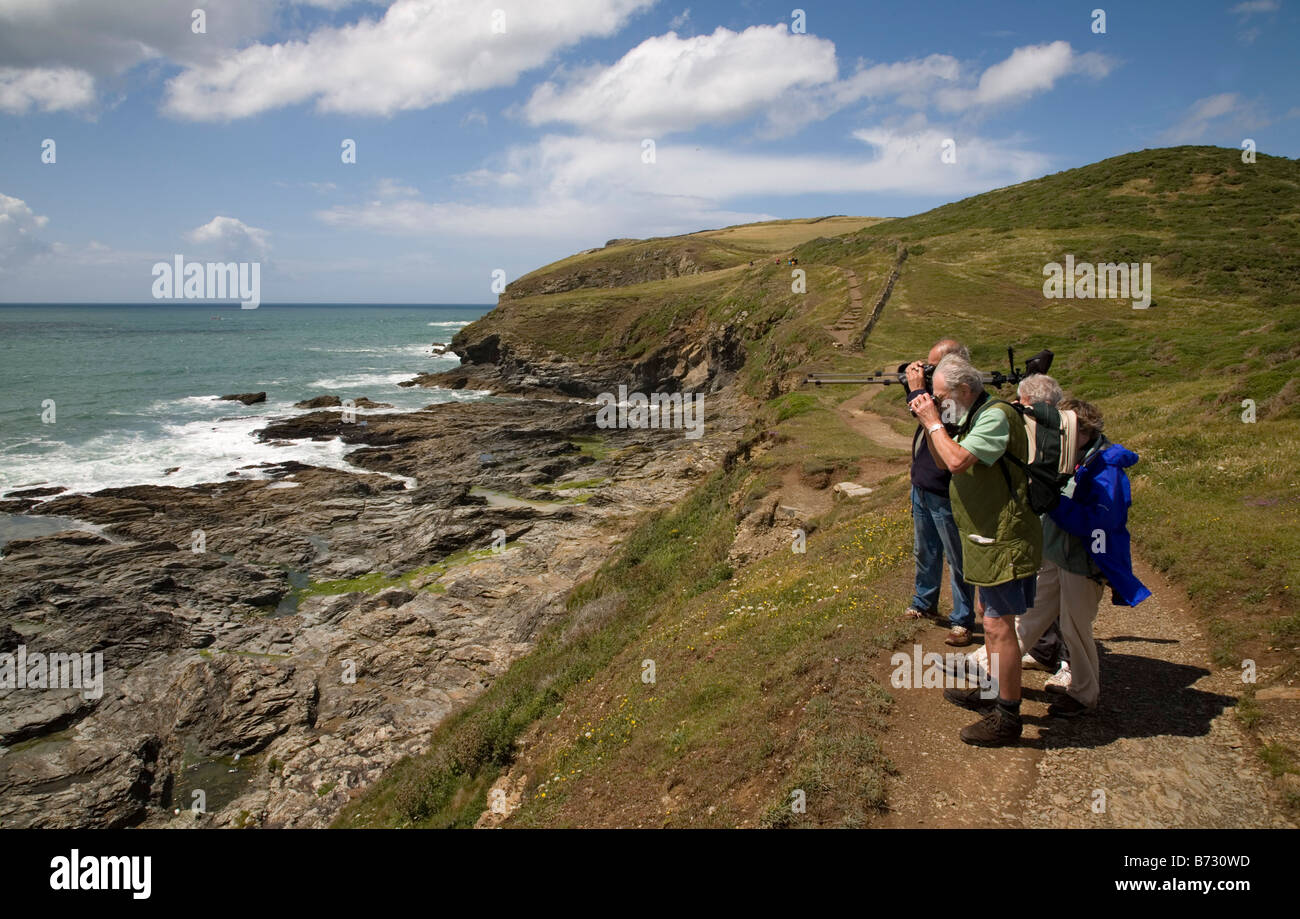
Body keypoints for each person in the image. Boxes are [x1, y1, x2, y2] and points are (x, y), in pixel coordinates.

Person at [909, 354, 1042, 745]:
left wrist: (932, 422)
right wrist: (934, 423)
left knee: (999, 627)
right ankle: (993, 691)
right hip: (982, 535)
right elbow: (943, 455)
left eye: (941, 395)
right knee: (988, 618)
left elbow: (957, 461)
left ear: (965, 390)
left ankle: (1008, 716)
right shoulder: (971, 413)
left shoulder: (995, 416)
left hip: (1002, 537)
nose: (936, 401)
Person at [1010, 398, 1150, 716]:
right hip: (1056, 554)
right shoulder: (1073, 460)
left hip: (1082, 563)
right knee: (1027, 617)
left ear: (1083, 432)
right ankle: (991, 670)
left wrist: (1055, 504)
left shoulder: (1107, 471)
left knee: (1074, 629)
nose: (1058, 439)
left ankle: (1084, 694)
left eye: (1065, 432)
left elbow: (1100, 525)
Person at [900, 339, 977, 647]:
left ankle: (962, 619)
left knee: (957, 559)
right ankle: (924, 601)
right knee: (926, 550)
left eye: (933, 366)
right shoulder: (937, 394)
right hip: (922, 485)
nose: (928, 372)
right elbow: (917, 409)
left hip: (947, 492)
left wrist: (920, 390)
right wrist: (913, 382)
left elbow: (938, 421)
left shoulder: (960, 402)